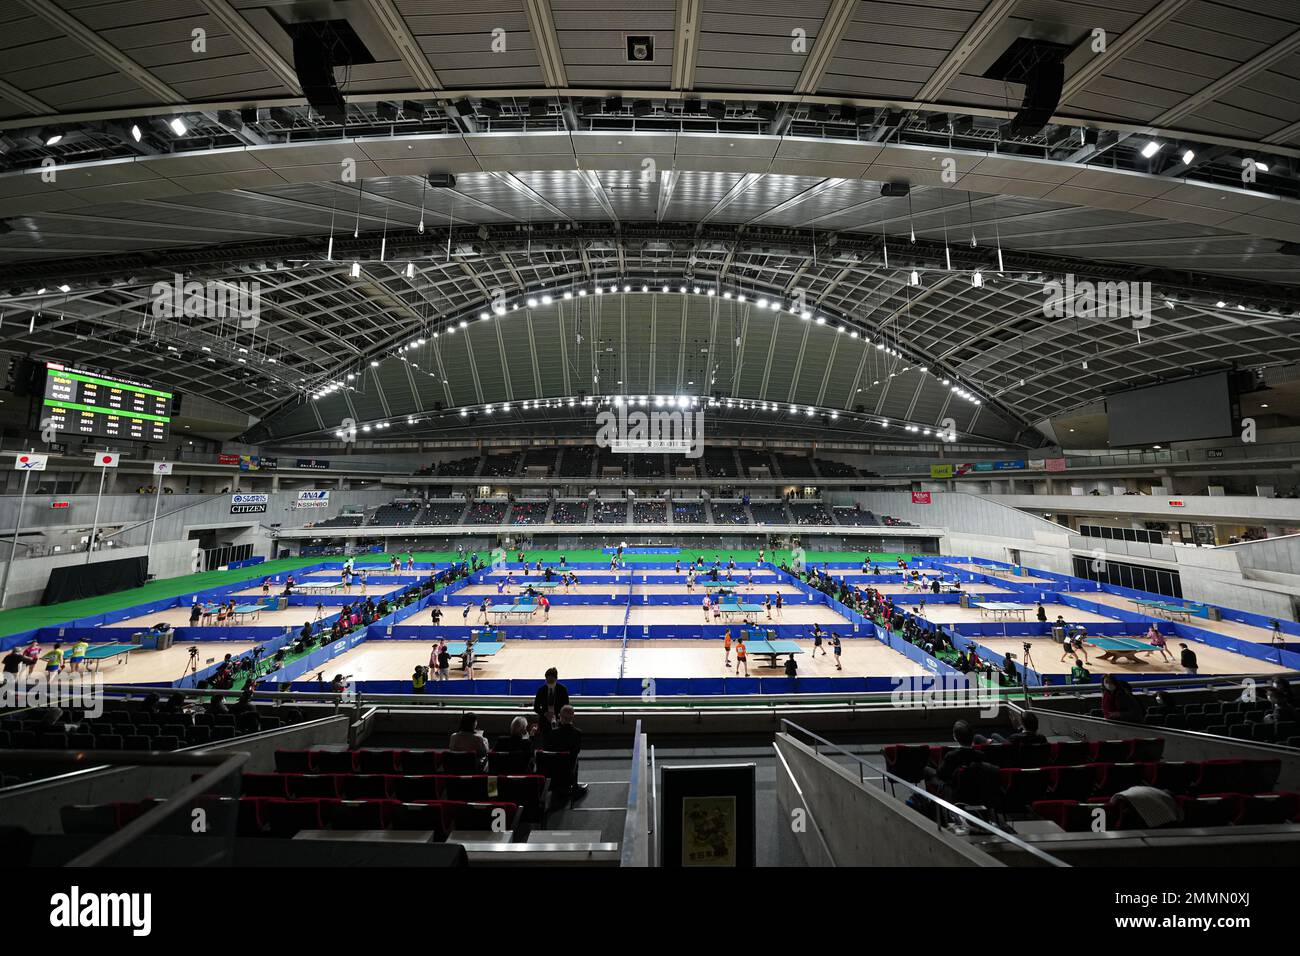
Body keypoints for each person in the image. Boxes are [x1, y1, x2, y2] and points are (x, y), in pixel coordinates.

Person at [543, 704, 587, 796]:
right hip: (567, 768)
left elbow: (548, 749)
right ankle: (574, 786)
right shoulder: (577, 733)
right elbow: (576, 752)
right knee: (575, 759)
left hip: (552, 769)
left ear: (560, 716)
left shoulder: (553, 733)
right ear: (573, 716)